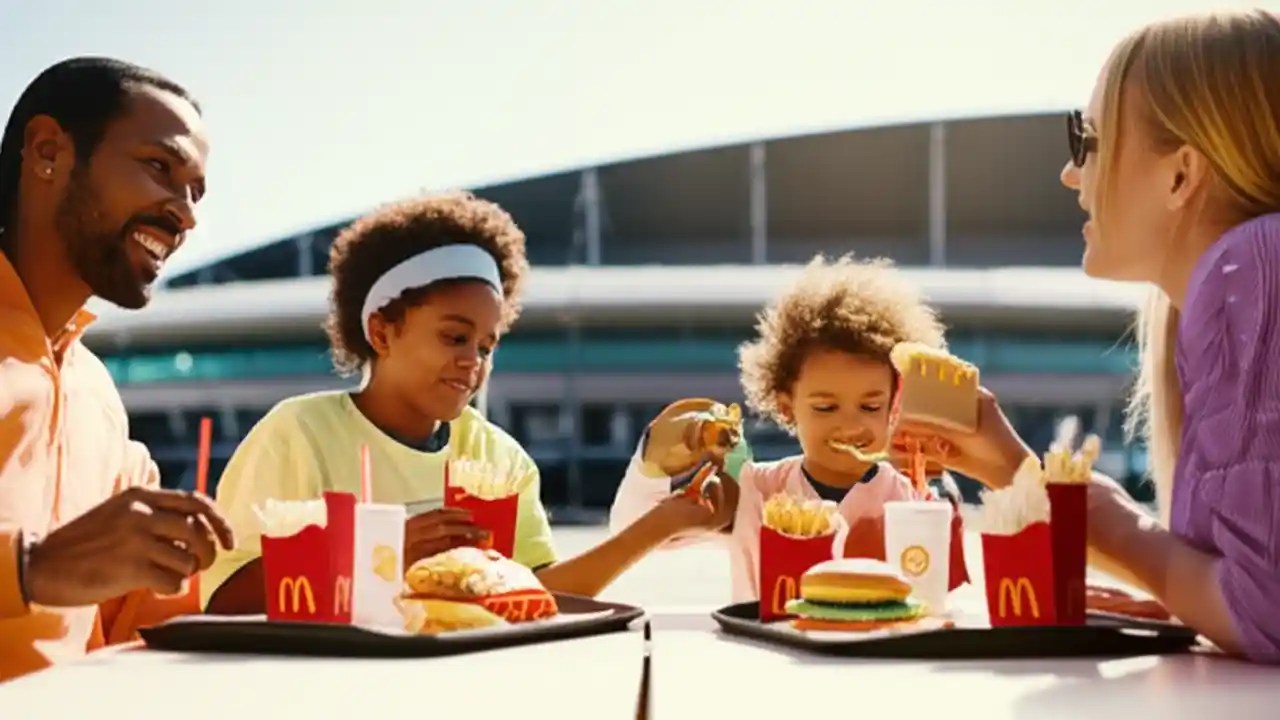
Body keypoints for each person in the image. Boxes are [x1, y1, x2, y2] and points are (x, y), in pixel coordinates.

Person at [899, 9, 1280, 662]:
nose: (1072, 175)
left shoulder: (1250, 268)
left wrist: (1123, 538)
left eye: (1088, 141)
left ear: (1181, 175)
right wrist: (1017, 473)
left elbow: (1267, 609)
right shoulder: (1234, 291)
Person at [203, 191, 704, 613]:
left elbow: (541, 595)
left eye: (487, 346)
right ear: (381, 330)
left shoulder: (498, 459)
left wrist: (662, 524)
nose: (474, 361)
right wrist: (381, 554)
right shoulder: (299, 433)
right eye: (454, 337)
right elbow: (222, 598)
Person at [0, 57, 234, 681]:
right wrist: (29, 568)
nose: (185, 214)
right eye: (160, 168)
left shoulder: (97, 394)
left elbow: (145, 619)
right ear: (47, 151)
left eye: (196, 192)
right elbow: (50, 568)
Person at [610, 255, 967, 603]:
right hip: (767, 660)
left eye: (870, 406)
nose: (850, 425)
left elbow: (943, 595)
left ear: (893, 407)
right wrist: (653, 462)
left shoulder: (913, 499)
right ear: (786, 407)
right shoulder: (753, 491)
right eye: (825, 408)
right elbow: (635, 530)